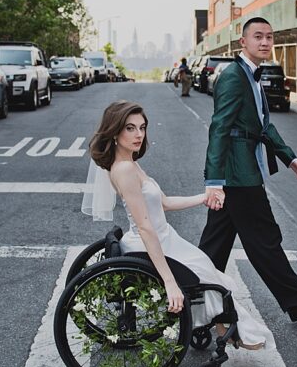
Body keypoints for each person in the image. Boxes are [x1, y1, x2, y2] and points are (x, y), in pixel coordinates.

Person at [84, 100, 271, 349]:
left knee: (208, 270)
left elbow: (164, 203)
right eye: (130, 128)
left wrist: (204, 197)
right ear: (115, 132)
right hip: (149, 242)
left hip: (165, 238)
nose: (139, 134)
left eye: (142, 127)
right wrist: (170, 282)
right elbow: (145, 226)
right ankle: (225, 325)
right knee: (205, 275)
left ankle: (222, 323)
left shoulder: (131, 163)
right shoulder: (124, 169)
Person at [199, 16, 297, 322]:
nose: (265, 42)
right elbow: (219, 129)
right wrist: (214, 181)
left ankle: (191, 299)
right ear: (242, 42)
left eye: (269, 37)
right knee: (264, 239)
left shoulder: (252, 76)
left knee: (214, 247)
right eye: (258, 36)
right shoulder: (234, 76)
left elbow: (262, 127)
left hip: (239, 173)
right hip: (238, 176)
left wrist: (290, 158)